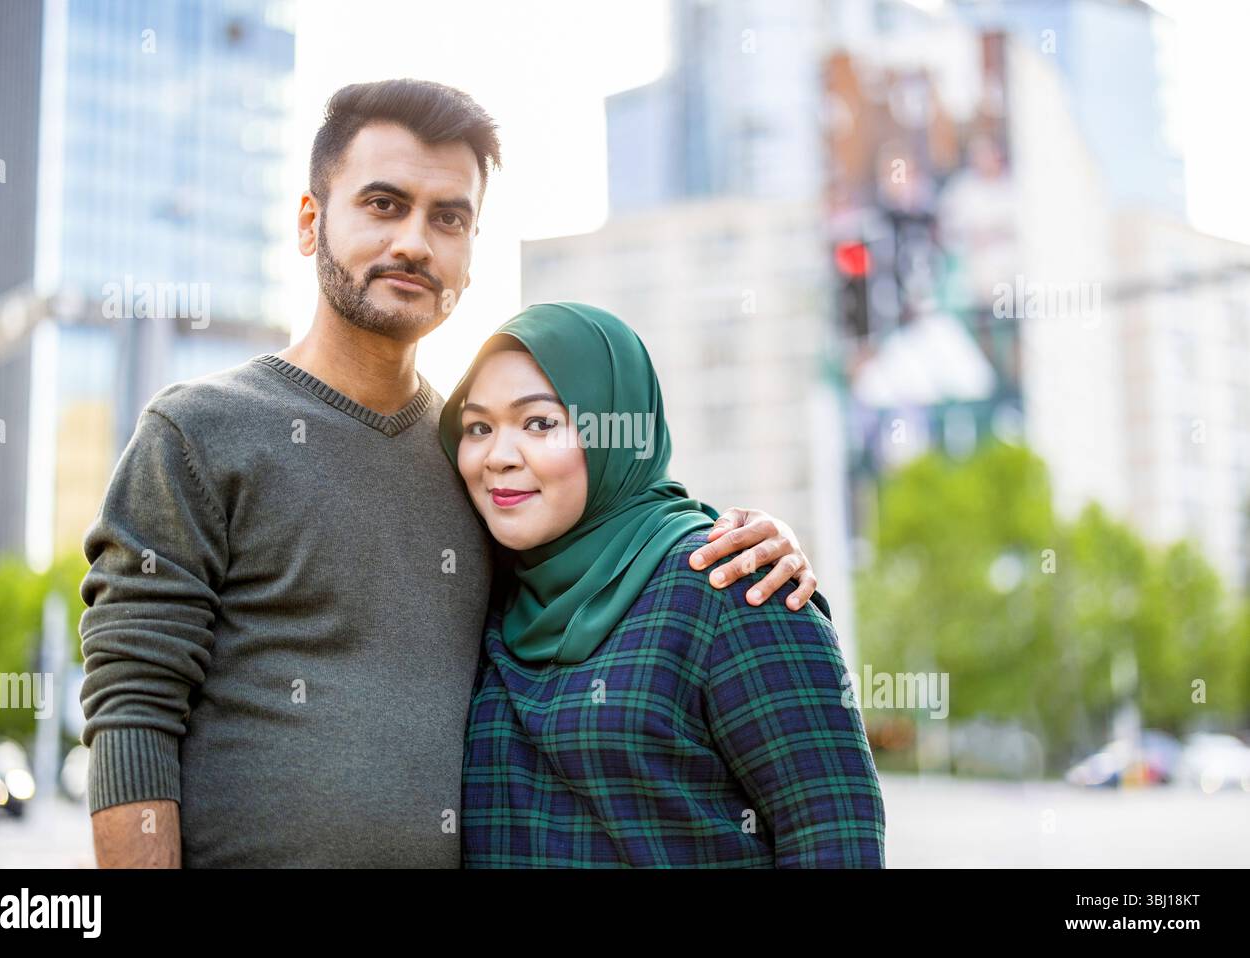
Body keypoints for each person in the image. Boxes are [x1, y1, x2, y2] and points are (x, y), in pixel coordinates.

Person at [79, 79, 824, 867]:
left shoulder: (479, 464)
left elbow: (604, 549)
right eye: (382, 203)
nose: (415, 243)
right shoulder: (197, 433)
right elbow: (133, 713)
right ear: (309, 223)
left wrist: (756, 540)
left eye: (449, 218)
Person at [439, 302, 886, 867]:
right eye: (478, 427)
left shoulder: (730, 582)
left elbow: (834, 835)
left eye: (540, 423)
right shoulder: (481, 594)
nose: (497, 457)